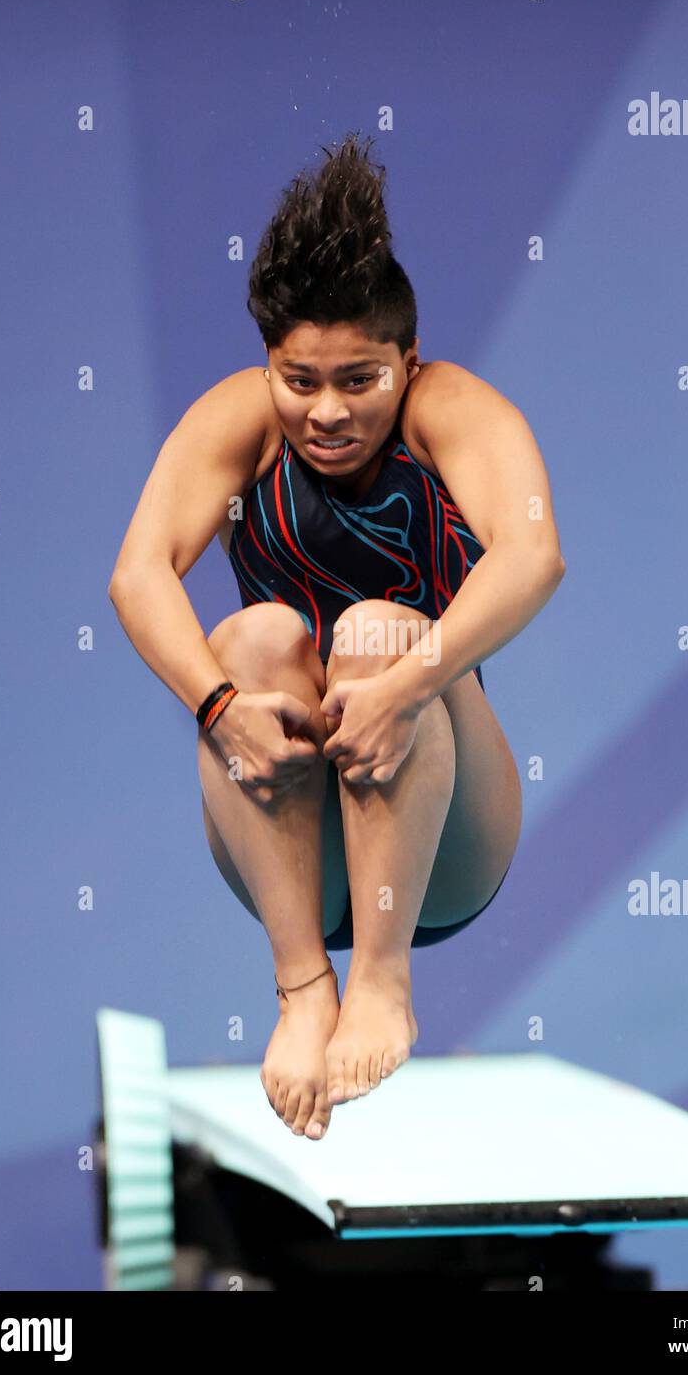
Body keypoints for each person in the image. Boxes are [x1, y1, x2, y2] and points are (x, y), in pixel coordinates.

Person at [108, 131, 566, 1144]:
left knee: (377, 631)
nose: (326, 412)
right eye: (298, 380)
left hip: (444, 839)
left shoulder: (452, 410)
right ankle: (301, 984)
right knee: (254, 639)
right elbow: (137, 573)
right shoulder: (236, 419)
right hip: (293, 850)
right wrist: (222, 713)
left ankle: (382, 979)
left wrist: (408, 682)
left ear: (408, 359)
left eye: (359, 380)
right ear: (268, 363)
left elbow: (532, 555)